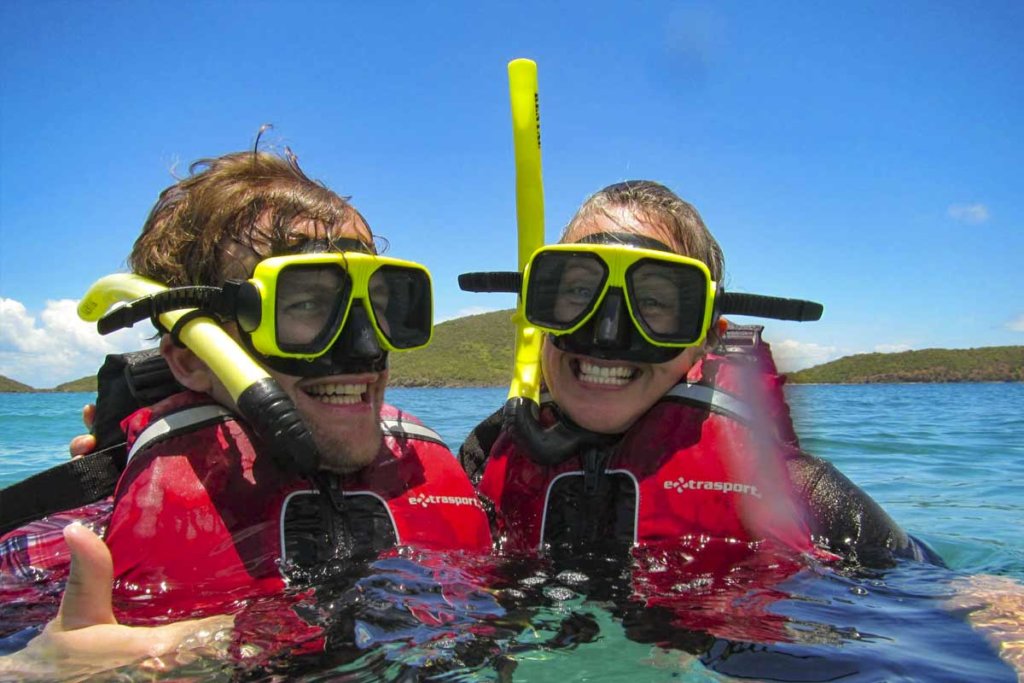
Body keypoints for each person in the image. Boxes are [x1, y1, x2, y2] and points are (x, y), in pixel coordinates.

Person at [1, 147, 493, 675]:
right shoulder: (68, 550)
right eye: (305, 304)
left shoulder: (448, 484)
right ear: (192, 358)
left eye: (384, 302)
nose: (366, 347)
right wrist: (35, 666)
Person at [459, 179, 941, 566]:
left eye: (653, 302)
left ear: (708, 335)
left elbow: (954, 603)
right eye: (578, 293)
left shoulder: (795, 493)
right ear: (535, 311)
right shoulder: (482, 465)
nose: (606, 335)